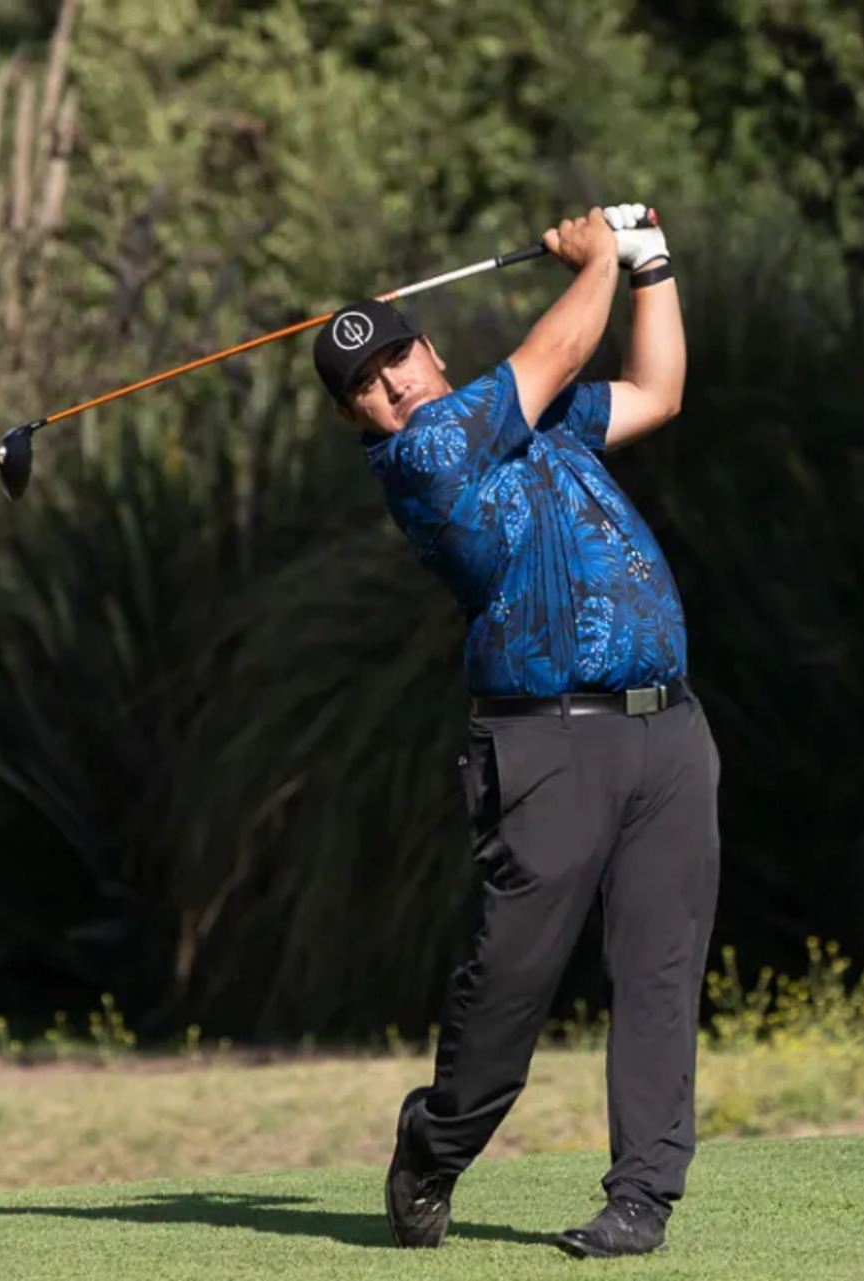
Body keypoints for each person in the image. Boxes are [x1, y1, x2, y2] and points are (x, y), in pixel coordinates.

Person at [311, 203, 721, 1260]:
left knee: (660, 970)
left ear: (427, 347)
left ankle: (642, 1198)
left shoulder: (530, 423)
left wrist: (650, 259)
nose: (394, 383)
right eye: (369, 385)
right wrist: (594, 259)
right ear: (361, 417)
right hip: (545, 747)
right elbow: (559, 344)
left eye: (399, 357)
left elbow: (660, 390)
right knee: (512, 982)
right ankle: (435, 1144)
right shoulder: (427, 456)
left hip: (666, 733)